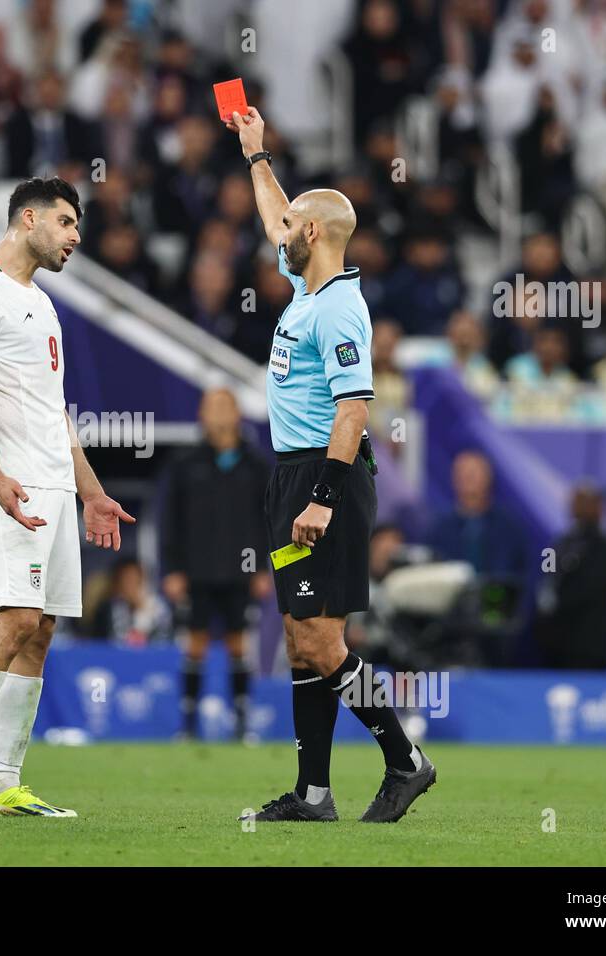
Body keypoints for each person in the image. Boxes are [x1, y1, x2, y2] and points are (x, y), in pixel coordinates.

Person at [227, 106, 434, 825]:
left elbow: (354, 413)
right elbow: (279, 216)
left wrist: (320, 497)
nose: (275, 235)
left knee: (322, 640)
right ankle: (314, 793)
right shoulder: (308, 290)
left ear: (311, 236)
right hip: (295, 476)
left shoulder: (340, 312)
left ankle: (405, 760)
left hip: (328, 480)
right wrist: (256, 155)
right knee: (299, 637)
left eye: (289, 230)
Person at [0, 176, 135, 818]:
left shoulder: (43, 307)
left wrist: (92, 492)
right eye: (67, 223)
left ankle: (3, 781)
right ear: (29, 219)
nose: (76, 238)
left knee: (39, 630)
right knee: (14, 618)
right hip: (7, 482)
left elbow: (54, 413)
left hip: (53, 483)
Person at [159, 388, 269, 739]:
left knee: (239, 642)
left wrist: (265, 569)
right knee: (195, 641)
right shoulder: (185, 463)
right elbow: (169, 521)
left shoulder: (256, 464)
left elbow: (268, 520)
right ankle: (189, 725)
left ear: (237, 413)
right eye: (210, 407)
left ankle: (240, 722)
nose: (217, 414)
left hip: (243, 572)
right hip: (197, 570)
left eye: (224, 406)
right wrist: (172, 569)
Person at [537, 483, 606, 670]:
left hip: (588, 642)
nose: (587, 507)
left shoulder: (603, 546)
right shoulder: (560, 543)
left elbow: (595, 584)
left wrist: (559, 601)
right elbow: (548, 572)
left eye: (592, 502)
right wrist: (547, 599)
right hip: (557, 641)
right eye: (581, 501)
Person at [93, 558, 174, 647]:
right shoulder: (107, 609)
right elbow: (114, 641)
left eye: (134, 579)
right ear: (117, 582)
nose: (130, 585)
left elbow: (163, 640)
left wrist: (141, 612)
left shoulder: (158, 607)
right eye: (126, 580)